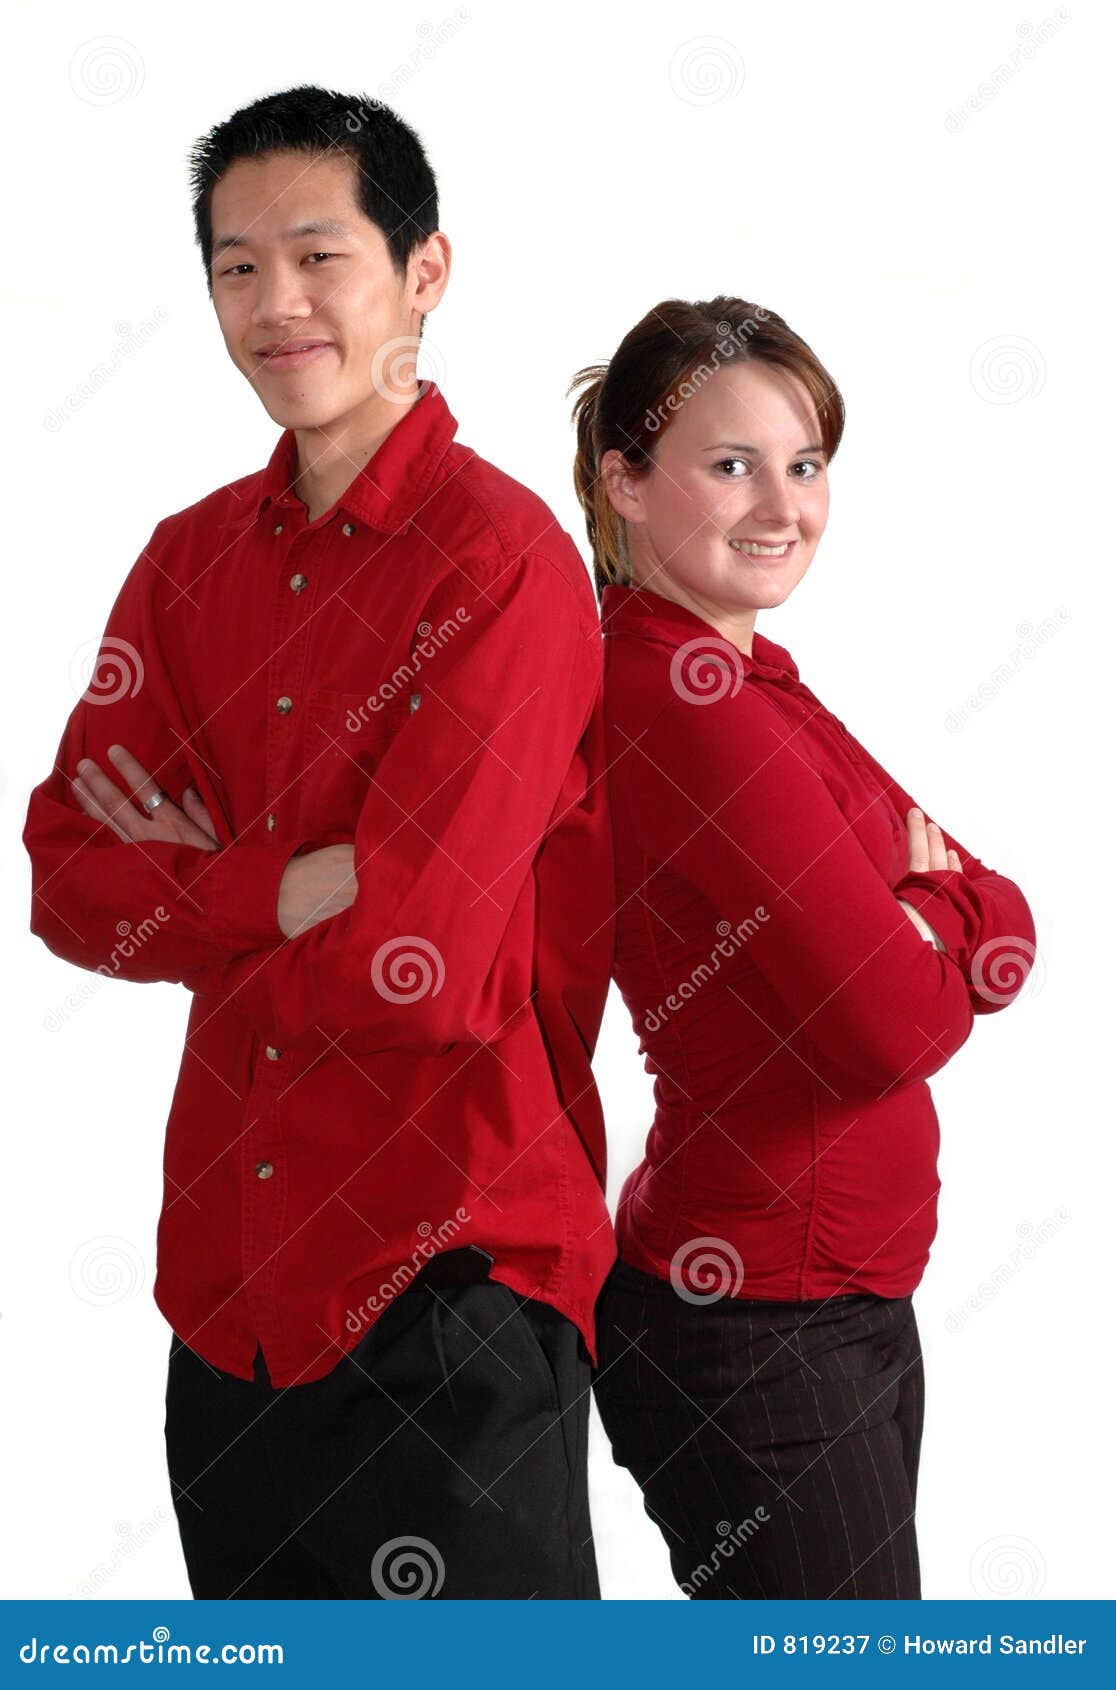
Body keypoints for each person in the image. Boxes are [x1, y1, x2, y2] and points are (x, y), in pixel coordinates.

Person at [23, 85, 615, 1601]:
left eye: (317, 256)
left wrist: (201, 911)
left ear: (423, 274)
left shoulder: (506, 568)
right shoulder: (186, 561)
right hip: (228, 1302)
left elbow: (425, 973)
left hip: (448, 1290)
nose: (274, 305)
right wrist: (289, 882)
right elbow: (66, 882)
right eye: (235, 266)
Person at [570, 296, 1036, 1600]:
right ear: (626, 479)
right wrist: (932, 910)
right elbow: (897, 1020)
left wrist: (937, 913)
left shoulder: (746, 673)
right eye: (731, 464)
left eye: (805, 462)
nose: (783, 504)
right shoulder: (676, 697)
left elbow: (1006, 907)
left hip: (837, 1300)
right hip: (765, 1325)